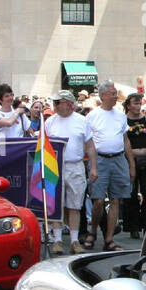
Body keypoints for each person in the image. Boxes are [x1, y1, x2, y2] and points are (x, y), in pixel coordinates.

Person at [83, 81, 135, 251]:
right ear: (103, 95)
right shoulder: (92, 116)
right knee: (97, 200)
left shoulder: (121, 115)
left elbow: (126, 141)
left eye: (115, 93)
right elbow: (88, 142)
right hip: (100, 160)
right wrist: (93, 166)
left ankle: (109, 239)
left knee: (115, 199)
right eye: (112, 93)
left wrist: (131, 164)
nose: (115, 96)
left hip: (119, 159)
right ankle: (93, 232)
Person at [41, 90, 90, 254]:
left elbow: (90, 145)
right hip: (54, 166)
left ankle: (75, 241)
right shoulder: (49, 122)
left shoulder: (82, 121)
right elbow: (43, 145)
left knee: (75, 204)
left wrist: (94, 166)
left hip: (75, 165)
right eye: (54, 102)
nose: (54, 106)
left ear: (68, 104)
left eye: (57, 102)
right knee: (55, 204)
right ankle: (58, 240)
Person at [122, 91, 146, 239]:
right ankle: (133, 226)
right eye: (135, 103)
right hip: (129, 160)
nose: (138, 106)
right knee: (131, 195)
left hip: (145, 160)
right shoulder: (123, 120)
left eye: (139, 103)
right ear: (129, 106)